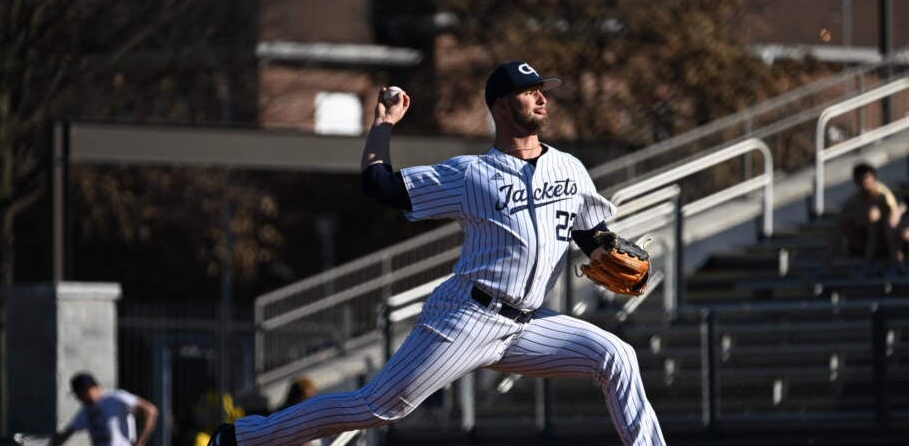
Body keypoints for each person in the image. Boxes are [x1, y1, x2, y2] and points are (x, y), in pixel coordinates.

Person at [207, 61, 666, 446]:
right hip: (468, 316)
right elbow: (380, 185)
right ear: (501, 106)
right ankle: (243, 438)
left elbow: (589, 231)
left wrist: (604, 248)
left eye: (542, 91)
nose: (542, 99)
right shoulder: (471, 175)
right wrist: (383, 125)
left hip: (528, 324)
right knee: (376, 407)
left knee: (617, 357)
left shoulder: (569, 167)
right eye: (529, 92)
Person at [49, 372, 159, 446]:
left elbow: (149, 411)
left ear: (90, 389)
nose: (79, 398)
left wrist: (140, 443)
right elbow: (67, 433)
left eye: (80, 394)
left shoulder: (115, 399)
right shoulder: (86, 411)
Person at [827, 162, 900, 266]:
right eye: (859, 179)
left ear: (873, 178)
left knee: (872, 222)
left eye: (866, 177)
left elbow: (890, 215)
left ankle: (868, 263)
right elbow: (845, 214)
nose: (863, 181)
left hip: (885, 236)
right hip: (864, 236)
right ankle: (827, 264)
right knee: (841, 224)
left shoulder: (882, 194)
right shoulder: (857, 196)